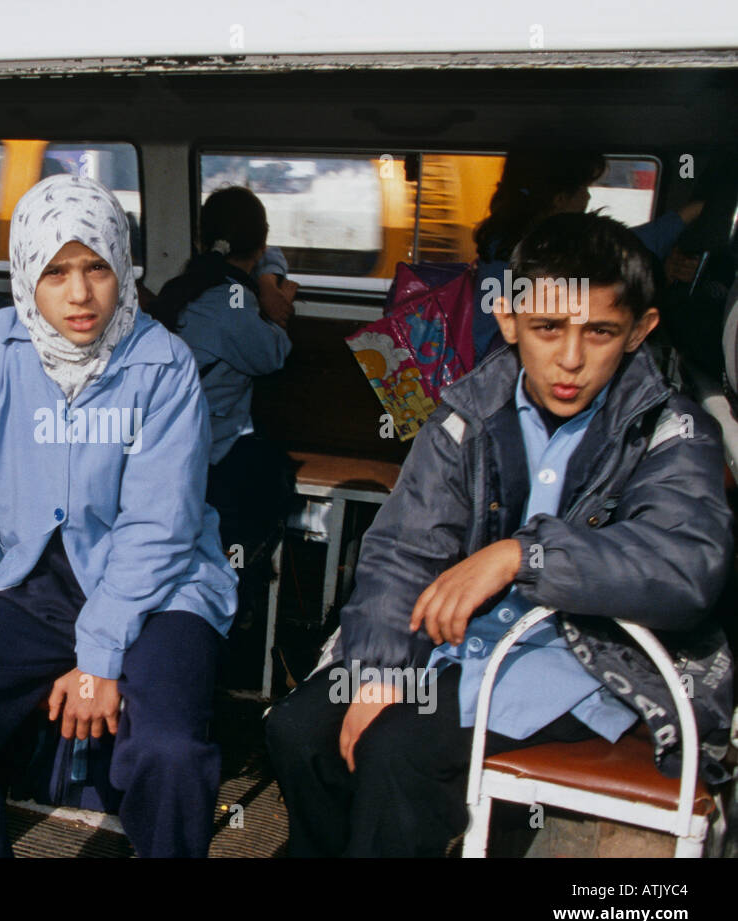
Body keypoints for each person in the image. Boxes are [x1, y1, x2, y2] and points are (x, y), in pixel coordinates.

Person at [265, 212, 733, 857]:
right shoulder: (467, 414)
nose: (571, 359)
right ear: (509, 320)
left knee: (401, 750)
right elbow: (404, 549)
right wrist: (379, 672)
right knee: (297, 731)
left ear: (639, 332)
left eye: (600, 331)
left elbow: (684, 571)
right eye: (547, 329)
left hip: (594, 658)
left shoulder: (671, 431)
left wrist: (523, 555)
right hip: (463, 641)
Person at [0, 164, 239, 858]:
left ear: (123, 265)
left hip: (163, 588)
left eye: (96, 267)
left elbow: (159, 529)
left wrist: (98, 656)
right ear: (26, 274)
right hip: (42, 581)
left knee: (168, 751)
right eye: (55, 273)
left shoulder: (162, 363)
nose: (80, 295)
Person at [152, 186, 293, 555]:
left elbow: (268, 254)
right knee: (273, 478)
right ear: (259, 244)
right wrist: (278, 308)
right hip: (207, 452)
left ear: (200, 239)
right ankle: (239, 576)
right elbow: (271, 356)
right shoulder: (229, 302)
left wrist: (263, 280)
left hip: (163, 441)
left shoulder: (183, 286)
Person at [471, 147, 704, 360]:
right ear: (559, 199)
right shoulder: (548, 249)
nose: (588, 197)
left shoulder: (498, 241)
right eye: (584, 188)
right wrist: (689, 214)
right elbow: (618, 246)